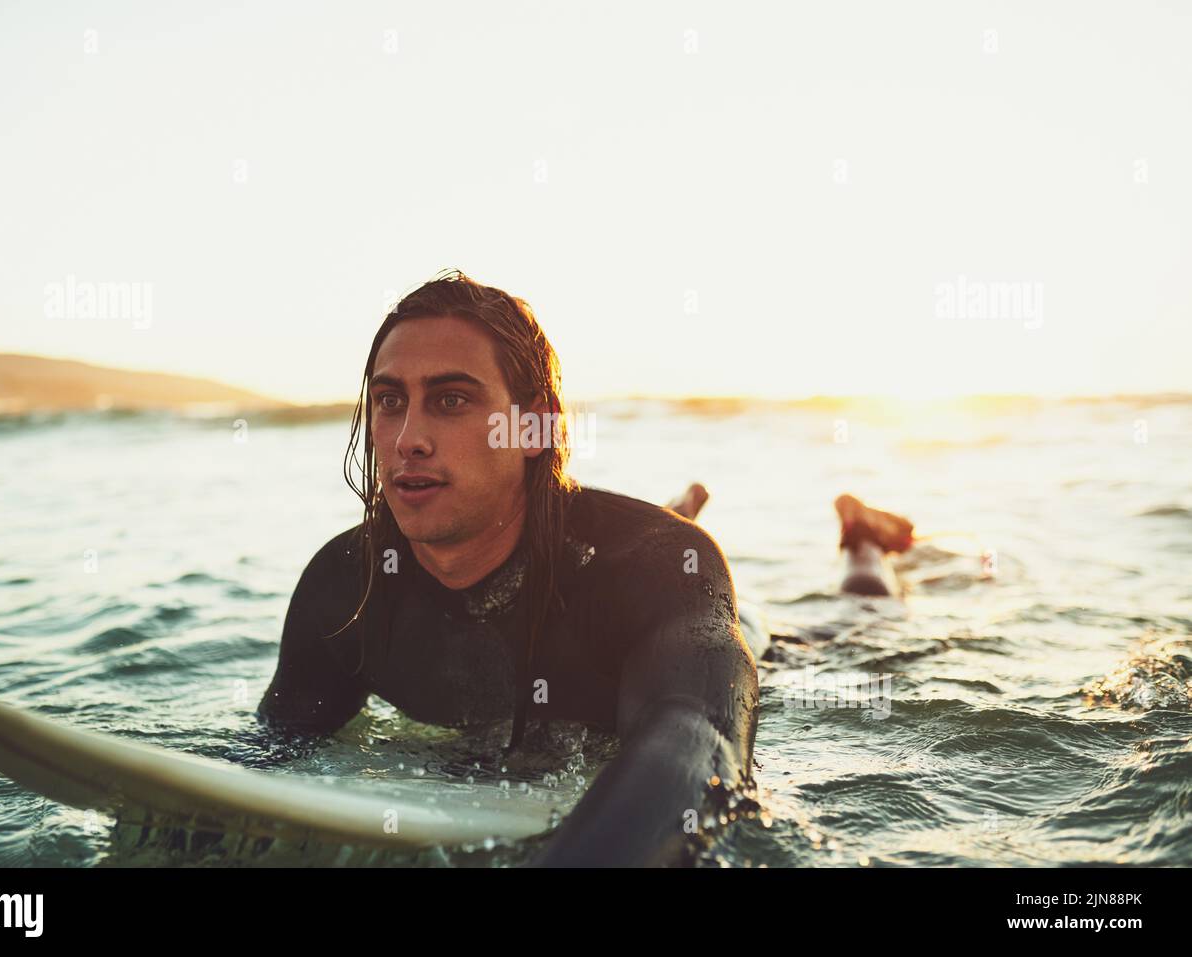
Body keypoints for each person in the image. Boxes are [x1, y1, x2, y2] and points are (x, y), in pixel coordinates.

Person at [256, 270, 911, 866]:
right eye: (390, 401)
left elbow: (699, 744)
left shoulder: (647, 571)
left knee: (854, 616)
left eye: (451, 400)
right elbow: (264, 761)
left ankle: (862, 537)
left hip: (709, 624)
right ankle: (683, 507)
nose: (407, 439)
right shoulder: (346, 588)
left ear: (533, 428)